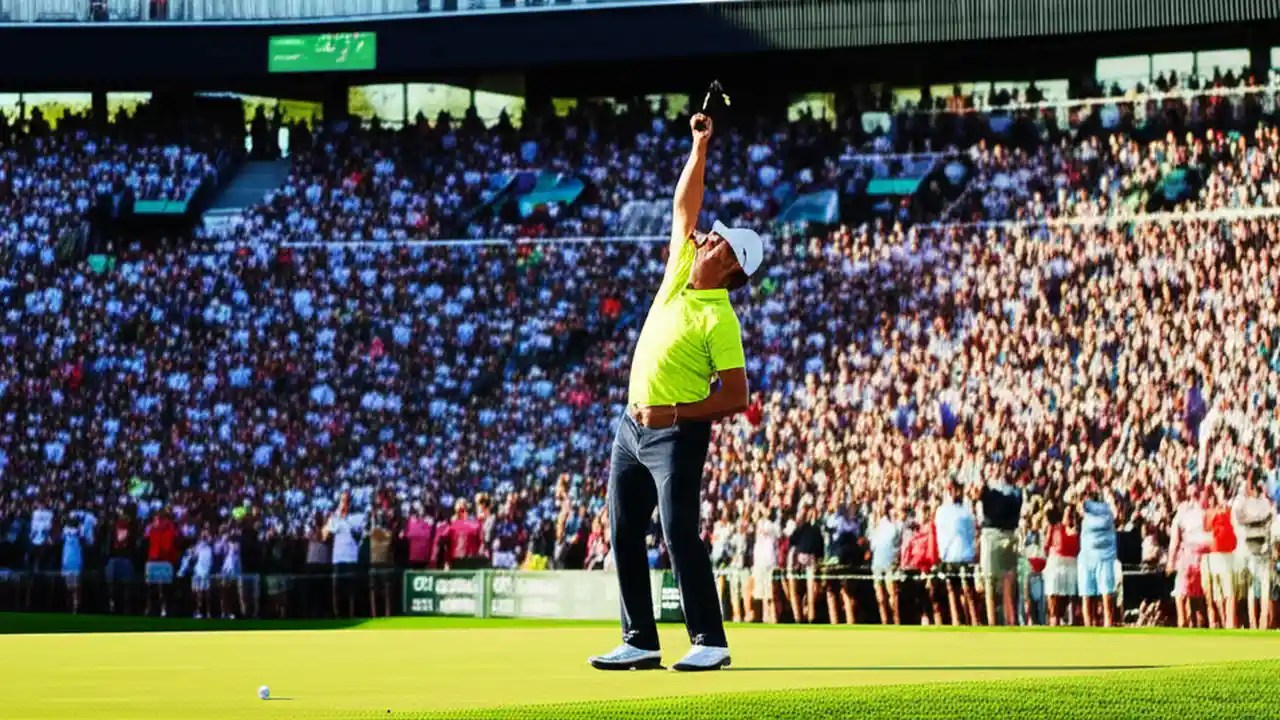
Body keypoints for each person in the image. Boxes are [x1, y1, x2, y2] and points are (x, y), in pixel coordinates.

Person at [590, 112, 763, 672]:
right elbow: (683, 205)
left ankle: (710, 639)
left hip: (676, 433)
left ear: (732, 265)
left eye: (721, 242)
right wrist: (699, 146)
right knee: (621, 530)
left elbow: (736, 396)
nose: (709, 236)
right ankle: (639, 639)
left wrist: (677, 411)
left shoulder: (721, 319)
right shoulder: (683, 266)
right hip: (631, 426)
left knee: (678, 533)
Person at [1232, 476, 1275, 630]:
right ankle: (1254, 624)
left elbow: (1269, 518)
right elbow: (1240, 519)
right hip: (1250, 550)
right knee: (1253, 589)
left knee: (1261, 589)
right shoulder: (1245, 503)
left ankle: (1260, 624)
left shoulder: (1261, 503)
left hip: (1260, 550)